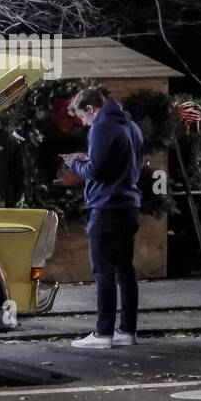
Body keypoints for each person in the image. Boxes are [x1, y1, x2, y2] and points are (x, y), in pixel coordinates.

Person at [64, 86, 144, 349]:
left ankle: (103, 333)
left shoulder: (102, 125)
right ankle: (127, 331)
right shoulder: (130, 125)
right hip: (129, 204)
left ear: (90, 108)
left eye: (83, 118)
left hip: (106, 206)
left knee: (103, 270)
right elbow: (121, 162)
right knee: (125, 271)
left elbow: (96, 170)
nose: (84, 124)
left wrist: (74, 163)